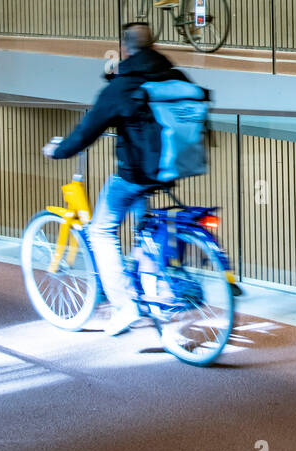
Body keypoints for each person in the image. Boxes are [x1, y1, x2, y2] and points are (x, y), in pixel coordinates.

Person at [42, 22, 209, 335]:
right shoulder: (173, 74)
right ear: (153, 43)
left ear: (124, 48)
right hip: (173, 166)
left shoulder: (122, 86)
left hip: (136, 172)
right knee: (143, 222)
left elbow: (86, 131)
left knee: (101, 230)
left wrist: (59, 150)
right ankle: (150, 282)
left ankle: (124, 305)